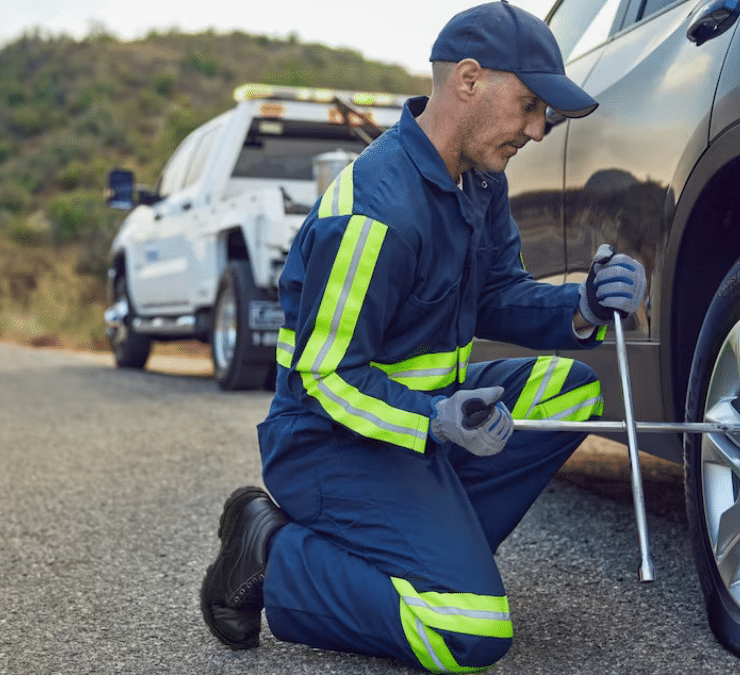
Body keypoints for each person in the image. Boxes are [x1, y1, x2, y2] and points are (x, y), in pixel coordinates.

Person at [200, 2, 646, 671]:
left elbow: (495, 292)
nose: (536, 128)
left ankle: (433, 549)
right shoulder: (372, 213)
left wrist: (581, 305)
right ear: (467, 80)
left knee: (569, 392)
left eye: (541, 113)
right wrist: (435, 420)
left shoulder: (479, 181)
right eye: (527, 105)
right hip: (332, 442)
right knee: (467, 631)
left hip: (428, 426)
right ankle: (271, 549)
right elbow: (327, 379)